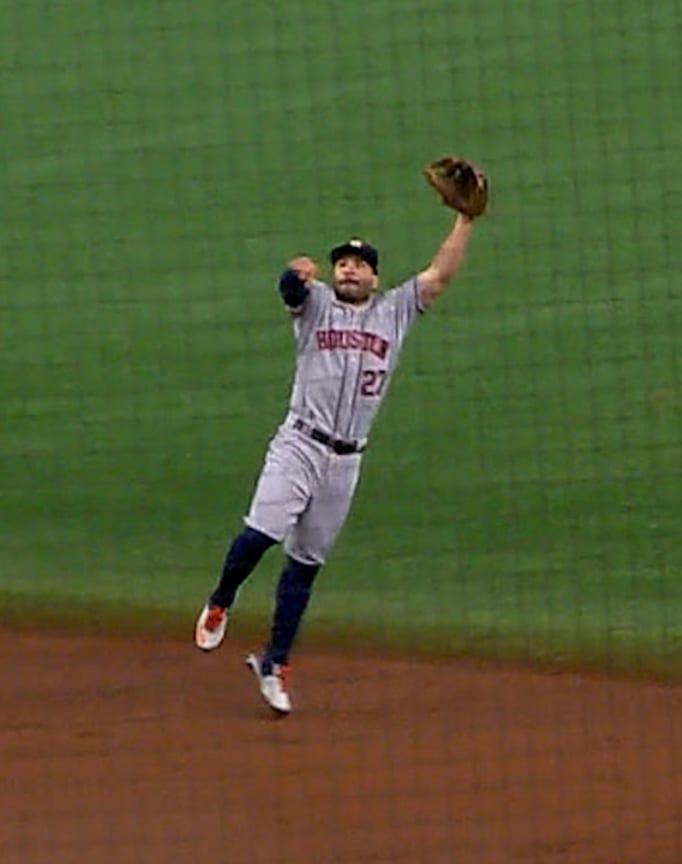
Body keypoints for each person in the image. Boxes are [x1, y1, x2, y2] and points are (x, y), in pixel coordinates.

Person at [192, 158, 489, 714]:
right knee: (261, 534)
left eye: (359, 265)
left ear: (375, 277)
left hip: (347, 462)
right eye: (342, 264)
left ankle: (275, 663)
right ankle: (221, 598)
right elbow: (289, 291)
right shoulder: (315, 305)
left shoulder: (396, 312)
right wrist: (294, 275)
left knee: (306, 563)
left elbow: (440, 276)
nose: (349, 270)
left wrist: (464, 223)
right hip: (299, 444)